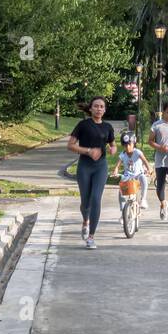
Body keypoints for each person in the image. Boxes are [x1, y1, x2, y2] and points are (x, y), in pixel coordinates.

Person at [68, 96, 115, 249]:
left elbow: (112, 145)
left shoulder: (108, 127)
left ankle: (91, 236)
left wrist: (112, 149)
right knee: (85, 202)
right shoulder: (83, 125)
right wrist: (88, 151)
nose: (99, 109)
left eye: (102, 106)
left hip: (101, 166)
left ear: (105, 110)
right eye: (96, 106)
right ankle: (85, 220)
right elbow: (70, 145)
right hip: (85, 166)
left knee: (96, 199)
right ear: (90, 108)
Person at [112, 131, 153, 211]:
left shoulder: (137, 152)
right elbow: (117, 166)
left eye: (129, 145)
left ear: (133, 144)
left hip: (138, 175)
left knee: (143, 178)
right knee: (121, 190)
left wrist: (149, 169)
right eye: (125, 145)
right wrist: (115, 171)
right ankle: (123, 211)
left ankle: (143, 199)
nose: (127, 147)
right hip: (128, 176)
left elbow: (145, 161)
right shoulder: (122, 155)